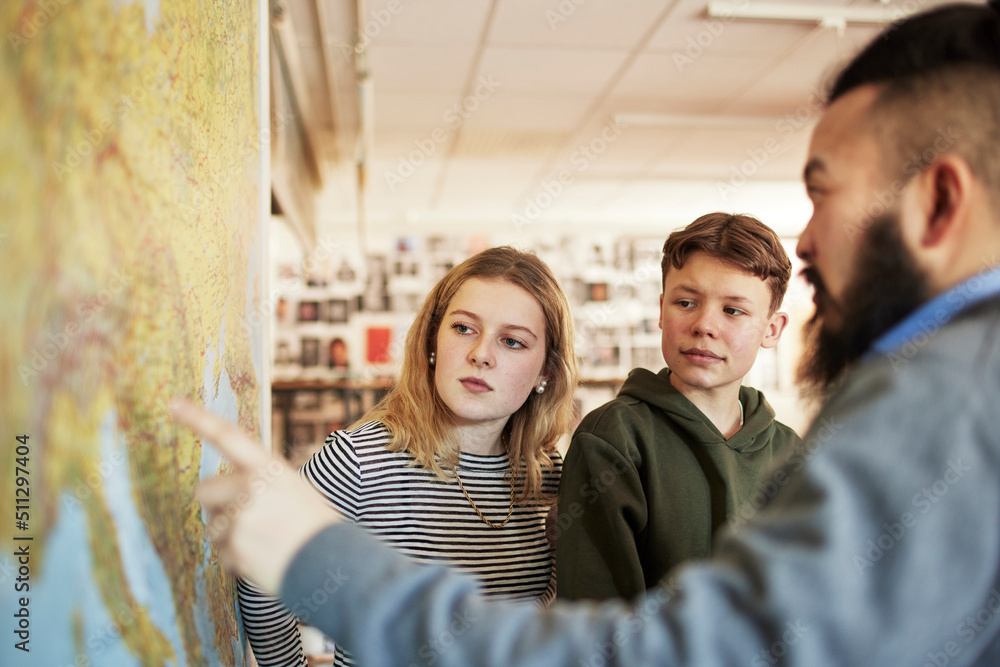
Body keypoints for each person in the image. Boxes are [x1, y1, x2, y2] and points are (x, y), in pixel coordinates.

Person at [178, 3, 1000, 664]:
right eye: (463, 327)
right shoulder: (593, 443)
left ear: (939, 202)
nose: (809, 240)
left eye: (823, 193)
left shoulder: (942, 396)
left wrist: (320, 560)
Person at [238, 246, 578, 666]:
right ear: (434, 338)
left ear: (545, 370)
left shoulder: (547, 473)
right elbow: (261, 568)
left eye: (512, 341)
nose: (481, 354)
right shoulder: (359, 461)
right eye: (464, 328)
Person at [557, 213, 801, 601]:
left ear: (771, 329)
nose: (704, 325)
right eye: (686, 302)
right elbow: (598, 617)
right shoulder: (613, 439)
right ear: (661, 309)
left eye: (733, 310)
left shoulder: (792, 453)